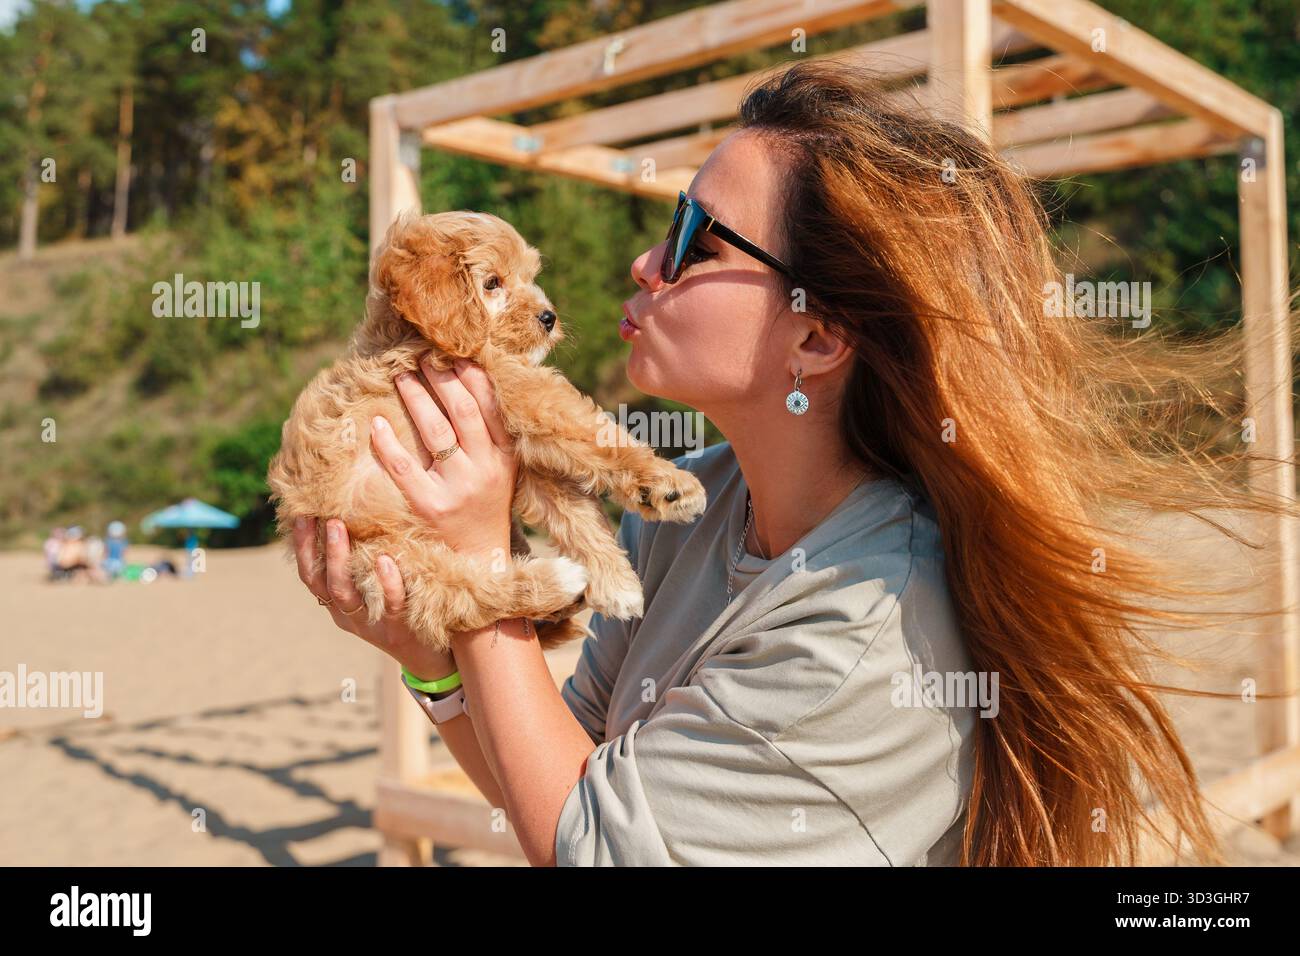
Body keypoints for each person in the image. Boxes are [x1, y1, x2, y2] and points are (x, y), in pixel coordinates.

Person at [293, 61, 1292, 866]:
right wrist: (435, 664)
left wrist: (478, 579)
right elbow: (567, 777)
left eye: (692, 236)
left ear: (817, 340)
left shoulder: (869, 623)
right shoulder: (698, 506)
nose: (646, 262)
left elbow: (593, 845)